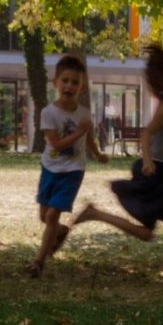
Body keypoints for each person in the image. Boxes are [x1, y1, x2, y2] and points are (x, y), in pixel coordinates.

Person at [75, 43, 163, 284]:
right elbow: (147, 135)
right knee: (159, 228)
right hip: (155, 175)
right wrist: (147, 162)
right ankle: (95, 213)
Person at [26, 52, 100, 277]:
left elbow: (88, 136)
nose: (69, 86)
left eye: (75, 82)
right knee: (44, 216)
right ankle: (60, 231)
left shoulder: (84, 114)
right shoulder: (48, 113)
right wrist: (80, 132)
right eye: (65, 80)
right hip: (50, 168)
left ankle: (38, 262)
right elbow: (56, 144)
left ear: (81, 87)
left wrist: (97, 153)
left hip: (73, 171)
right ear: (55, 83)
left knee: (51, 216)